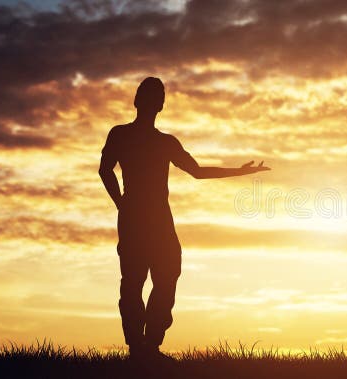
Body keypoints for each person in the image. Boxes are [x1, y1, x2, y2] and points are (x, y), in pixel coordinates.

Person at [99, 77, 270, 360]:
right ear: (143, 101)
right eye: (154, 95)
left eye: (158, 96)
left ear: (158, 104)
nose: (156, 101)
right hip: (137, 219)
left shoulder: (164, 142)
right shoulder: (121, 134)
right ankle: (139, 349)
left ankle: (148, 347)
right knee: (134, 281)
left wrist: (240, 171)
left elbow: (198, 171)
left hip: (157, 221)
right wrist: (121, 204)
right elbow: (105, 170)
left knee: (164, 277)